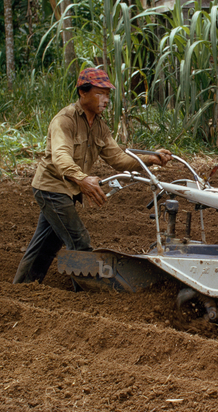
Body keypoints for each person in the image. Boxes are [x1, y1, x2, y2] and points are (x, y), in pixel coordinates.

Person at [13, 67, 172, 285]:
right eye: (100, 93)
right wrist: (82, 179)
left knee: (45, 243)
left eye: (108, 94)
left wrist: (151, 158)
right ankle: (88, 296)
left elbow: (117, 157)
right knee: (79, 241)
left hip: (66, 189)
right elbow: (61, 158)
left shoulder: (99, 125)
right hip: (52, 188)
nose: (106, 99)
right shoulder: (64, 120)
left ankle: (22, 286)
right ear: (83, 92)